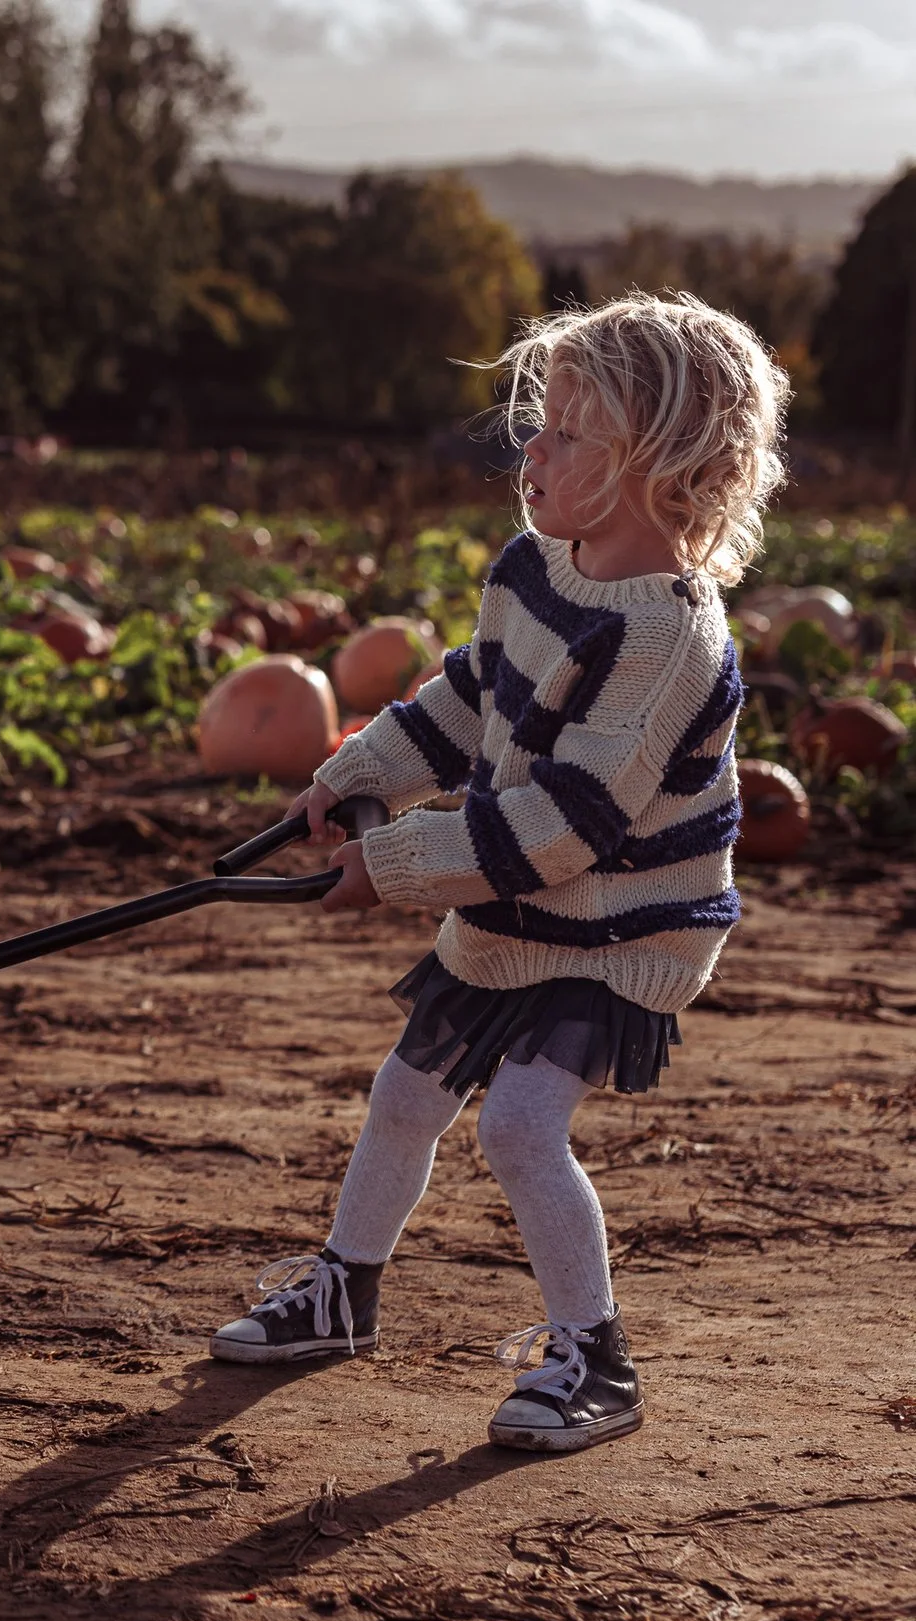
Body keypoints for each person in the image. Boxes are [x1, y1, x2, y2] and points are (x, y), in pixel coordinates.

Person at [208, 293, 784, 1453]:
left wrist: (395, 864)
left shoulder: (667, 637)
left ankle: (594, 1355)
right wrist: (358, 772)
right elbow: (472, 695)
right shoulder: (536, 566)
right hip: (514, 895)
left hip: (624, 921)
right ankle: (342, 1289)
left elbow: (569, 823)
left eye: (569, 432)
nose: (532, 445)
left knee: (518, 1126)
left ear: (662, 465)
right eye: (541, 418)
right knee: (407, 1090)